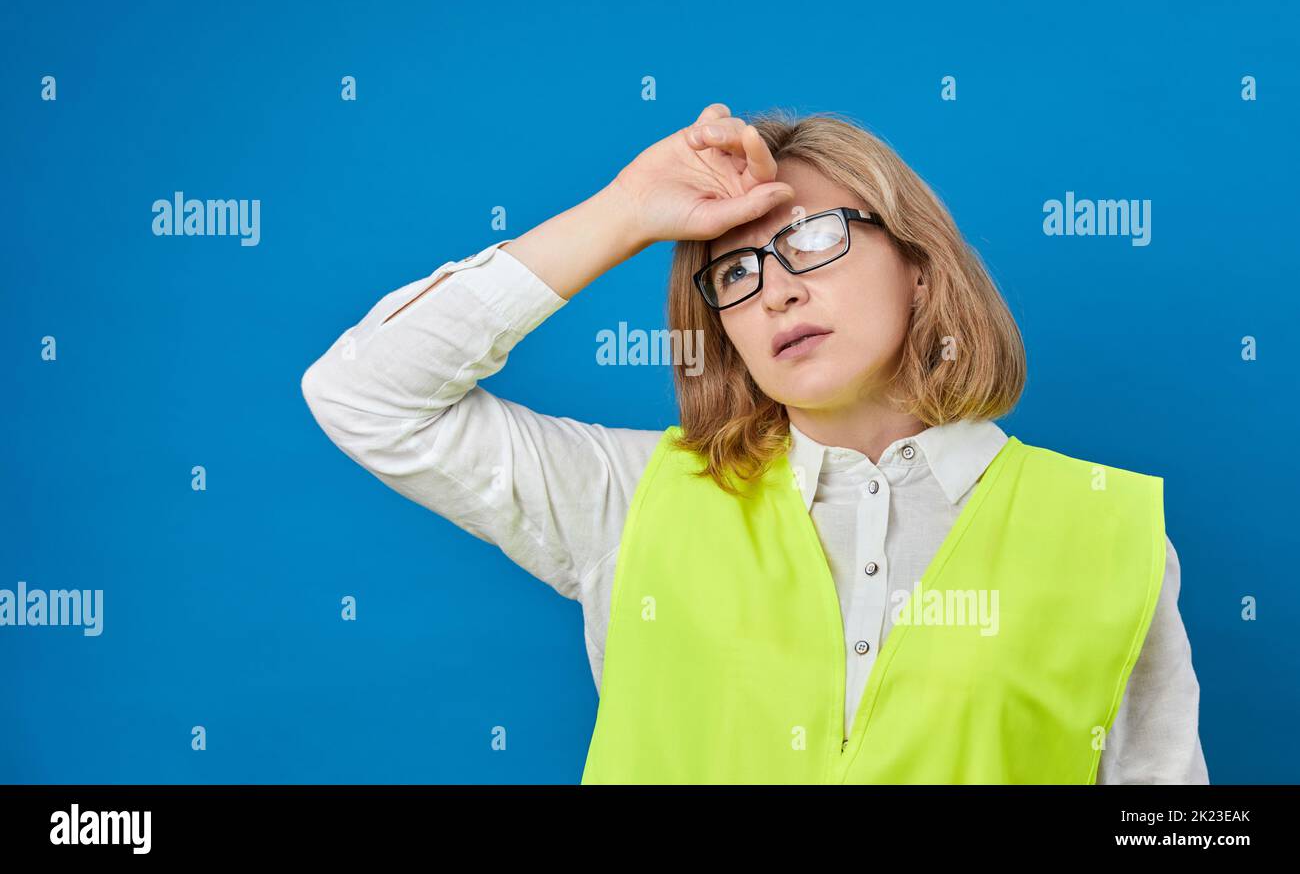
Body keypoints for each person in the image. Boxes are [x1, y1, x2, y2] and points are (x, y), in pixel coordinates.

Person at [300, 102, 1209, 784]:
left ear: (919, 265)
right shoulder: (629, 499)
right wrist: (623, 211)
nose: (775, 290)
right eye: (735, 270)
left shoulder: (1110, 532)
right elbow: (367, 394)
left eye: (814, 238)